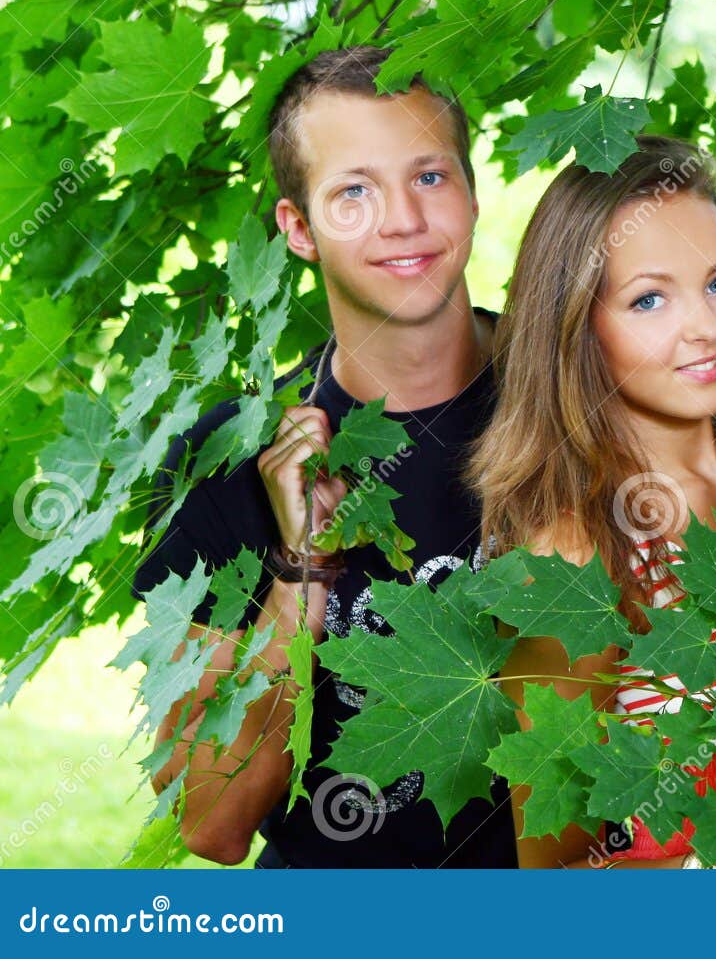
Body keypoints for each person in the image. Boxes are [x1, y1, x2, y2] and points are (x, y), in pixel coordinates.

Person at [131, 46, 517, 867]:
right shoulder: (225, 459)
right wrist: (298, 571)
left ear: (473, 195)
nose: (403, 220)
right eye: (354, 192)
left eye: (430, 177)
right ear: (298, 229)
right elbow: (210, 820)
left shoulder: (579, 400)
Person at [467, 136, 716, 868]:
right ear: (577, 326)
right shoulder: (572, 555)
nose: (705, 326)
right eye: (649, 298)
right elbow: (553, 871)